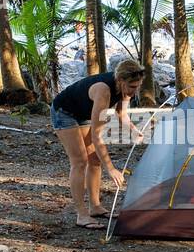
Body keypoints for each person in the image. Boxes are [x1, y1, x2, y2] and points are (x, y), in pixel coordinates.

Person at [51, 59, 145, 229]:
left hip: (83, 113)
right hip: (64, 112)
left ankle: (95, 207)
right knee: (79, 161)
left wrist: (133, 130)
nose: (135, 90)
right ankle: (81, 215)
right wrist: (111, 168)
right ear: (121, 81)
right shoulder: (103, 91)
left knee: (94, 160)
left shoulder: (125, 90)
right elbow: (97, 136)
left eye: (137, 85)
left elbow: (121, 113)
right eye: (132, 86)